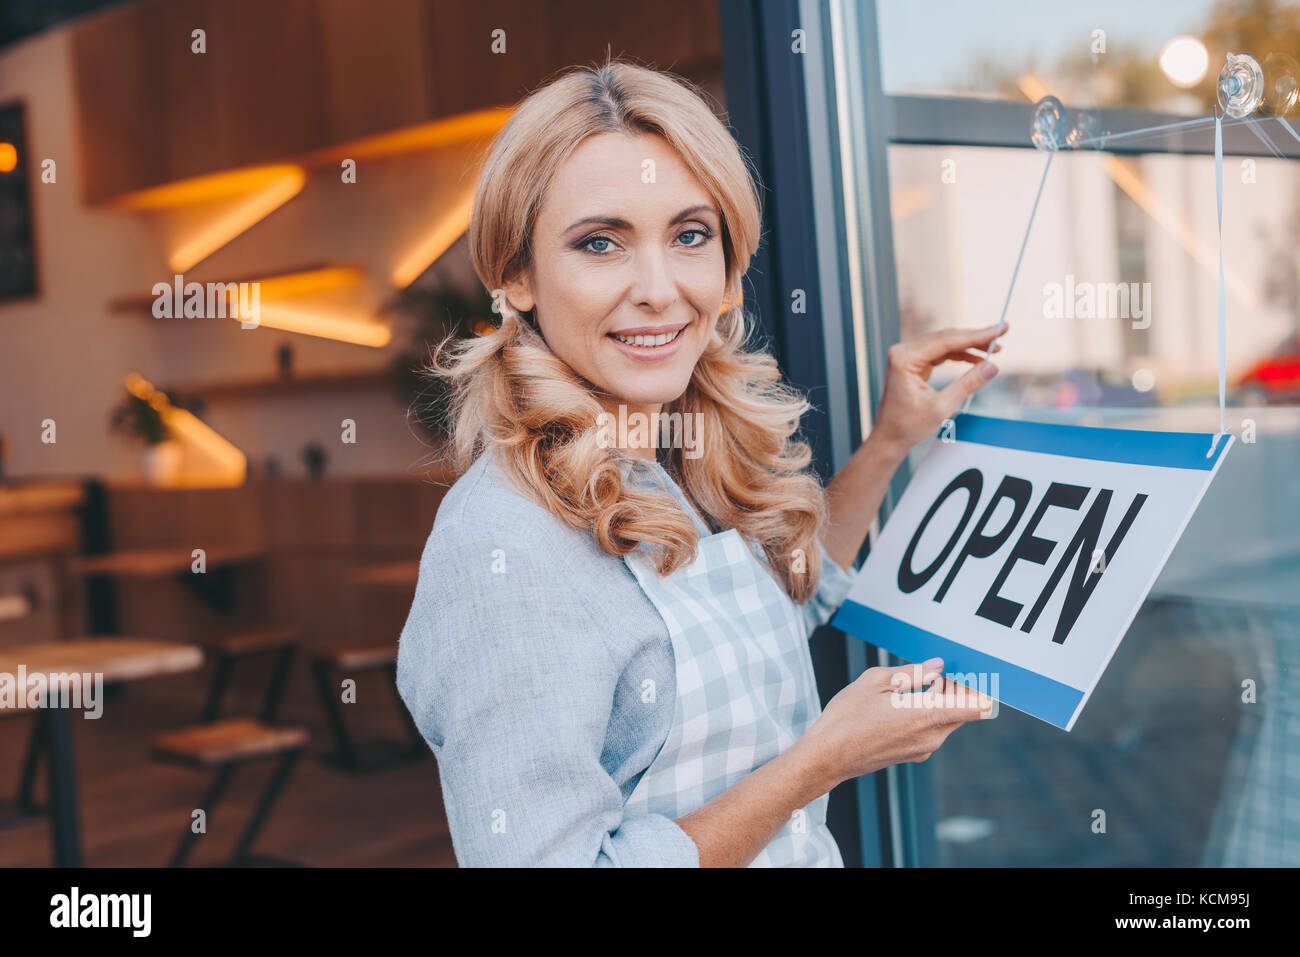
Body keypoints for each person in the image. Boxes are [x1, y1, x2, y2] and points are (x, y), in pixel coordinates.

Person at [396, 57, 1002, 867]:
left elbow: (797, 585)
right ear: (517, 275)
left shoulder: (683, 455)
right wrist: (819, 760)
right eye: (600, 242)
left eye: (689, 236)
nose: (659, 287)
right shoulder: (503, 547)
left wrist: (891, 439)